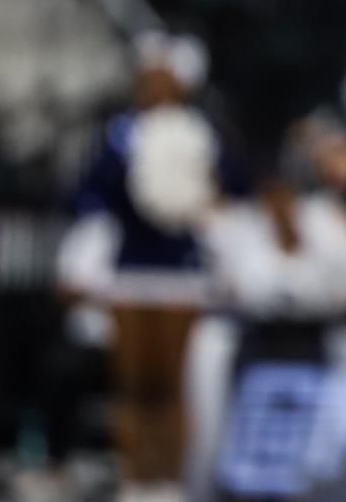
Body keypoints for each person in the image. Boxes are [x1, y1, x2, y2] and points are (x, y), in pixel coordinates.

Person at [71, 31, 251, 502]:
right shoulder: (121, 133)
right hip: (132, 273)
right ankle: (136, 480)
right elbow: (91, 192)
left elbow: (235, 185)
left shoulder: (202, 134)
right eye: (151, 77)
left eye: (166, 78)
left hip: (181, 274)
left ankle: (169, 481)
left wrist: (210, 199)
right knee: (133, 386)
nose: (157, 86)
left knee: (171, 386)